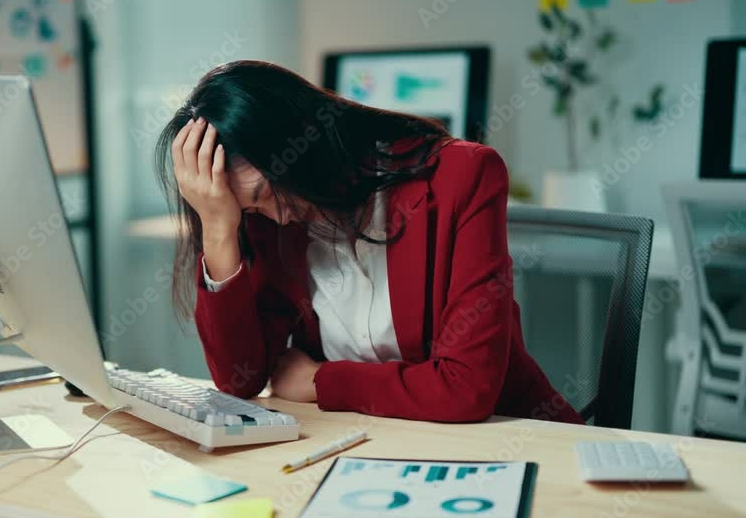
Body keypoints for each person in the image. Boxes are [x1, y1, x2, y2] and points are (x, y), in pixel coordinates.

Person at [154, 60, 584, 424]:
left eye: (264, 195)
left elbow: (466, 388)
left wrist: (319, 381)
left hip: (508, 440)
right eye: (246, 210)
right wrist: (218, 229)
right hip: (368, 447)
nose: (276, 216)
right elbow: (240, 381)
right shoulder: (271, 222)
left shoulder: (464, 175)